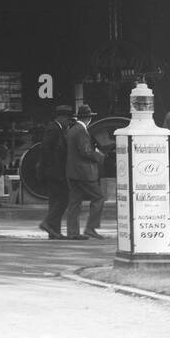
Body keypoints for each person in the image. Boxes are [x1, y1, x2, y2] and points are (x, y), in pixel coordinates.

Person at [65, 103, 106, 240]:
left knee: (74, 202)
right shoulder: (81, 131)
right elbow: (86, 152)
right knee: (98, 197)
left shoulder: (72, 130)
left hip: (72, 172)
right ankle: (90, 228)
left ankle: (72, 232)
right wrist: (99, 155)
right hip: (84, 172)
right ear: (89, 118)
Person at [37, 104, 74, 239]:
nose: (68, 122)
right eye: (68, 119)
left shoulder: (56, 128)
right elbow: (45, 149)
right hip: (55, 171)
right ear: (63, 118)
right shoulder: (54, 129)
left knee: (55, 200)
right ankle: (48, 222)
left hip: (53, 171)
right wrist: (53, 166)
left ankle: (54, 232)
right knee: (63, 199)